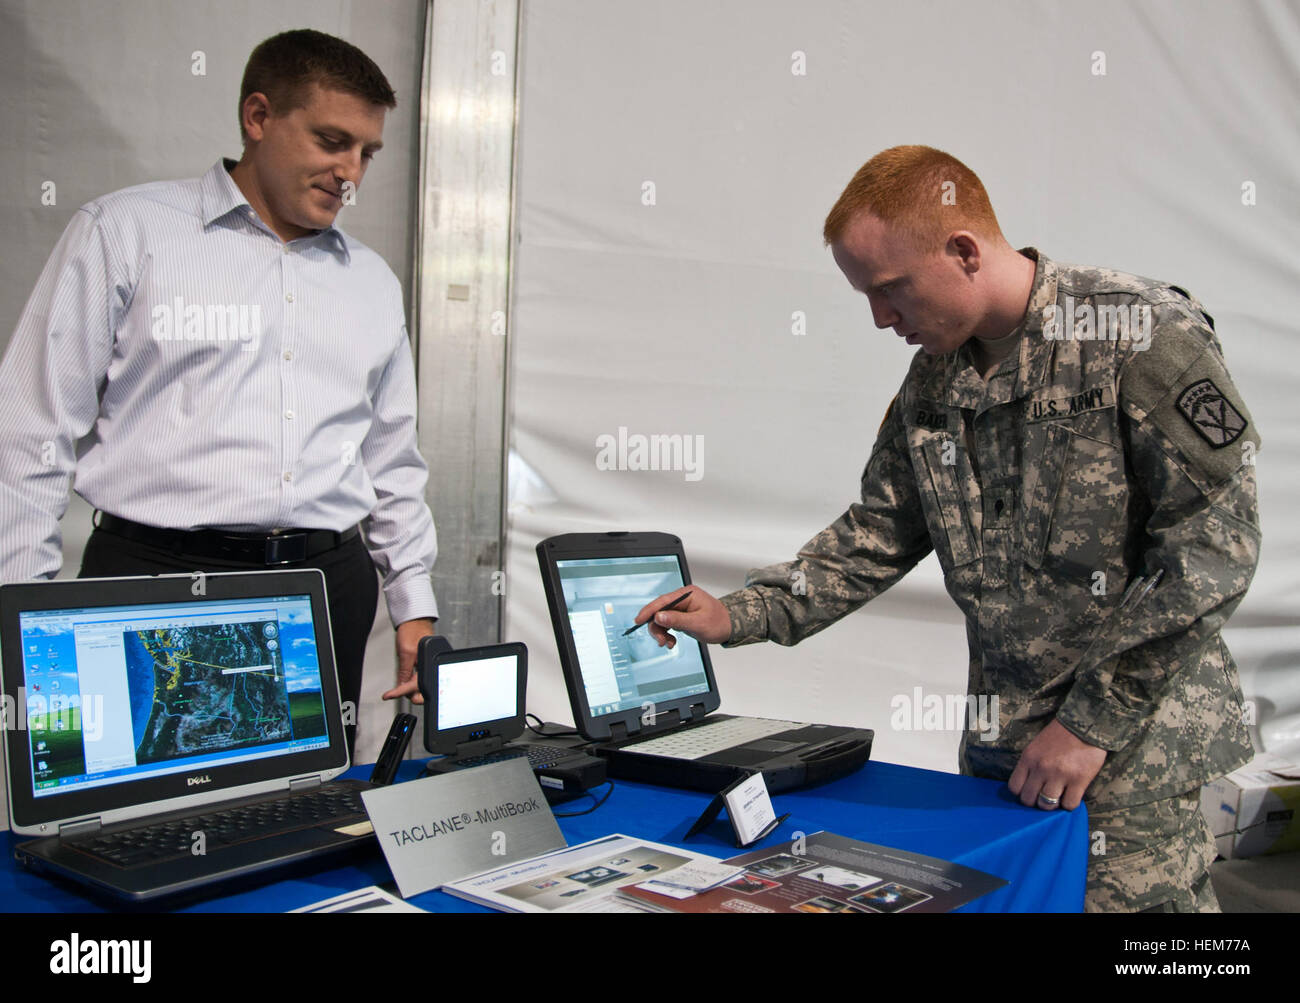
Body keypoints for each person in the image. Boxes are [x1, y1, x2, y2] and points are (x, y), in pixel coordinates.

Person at [634, 146, 1260, 912]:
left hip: (1129, 757)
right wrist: (742, 612)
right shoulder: (936, 378)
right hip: (1006, 754)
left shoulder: (1135, 332)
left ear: (963, 250)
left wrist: (1090, 723)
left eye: (890, 289)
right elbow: (878, 530)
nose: (879, 317)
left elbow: (1212, 546)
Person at [0, 29, 439, 755]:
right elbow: (28, 432)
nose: (350, 170)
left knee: (302, 817)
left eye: (367, 152)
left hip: (327, 587)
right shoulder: (125, 232)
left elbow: (391, 461)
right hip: (155, 585)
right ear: (258, 116)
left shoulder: (371, 282)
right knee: (133, 825)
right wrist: (25, 614)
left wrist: (414, 606)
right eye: (332, 140)